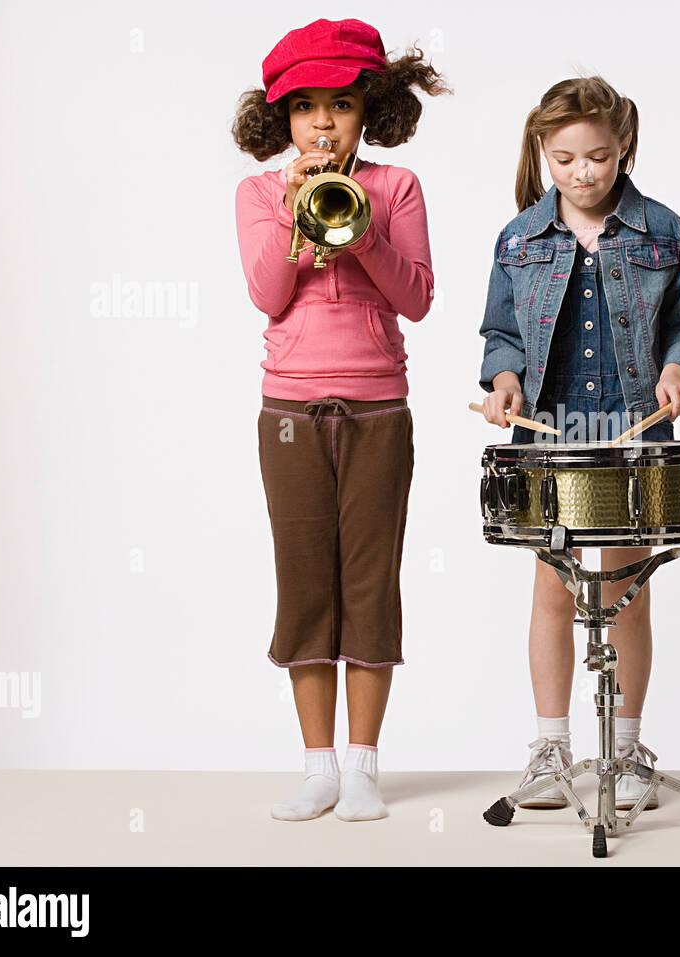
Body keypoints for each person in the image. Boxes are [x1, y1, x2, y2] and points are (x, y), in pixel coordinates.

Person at [478, 77, 680, 810]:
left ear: (626, 150)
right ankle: (552, 745)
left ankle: (626, 747)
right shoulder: (519, 237)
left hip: (632, 428)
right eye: (564, 160)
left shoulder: (664, 230)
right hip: (550, 432)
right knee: (553, 587)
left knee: (624, 592)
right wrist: (504, 379)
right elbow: (502, 332)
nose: (583, 173)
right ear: (542, 153)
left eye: (599, 157)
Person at [231, 17, 448, 821]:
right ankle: (317, 764)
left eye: (342, 105)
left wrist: (356, 238)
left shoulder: (396, 190)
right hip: (289, 408)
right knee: (304, 583)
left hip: (377, 405)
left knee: (368, 581)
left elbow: (418, 298)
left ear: (371, 110)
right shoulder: (260, 191)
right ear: (281, 118)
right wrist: (298, 222)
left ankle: (363, 765)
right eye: (305, 108)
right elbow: (266, 292)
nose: (323, 124)